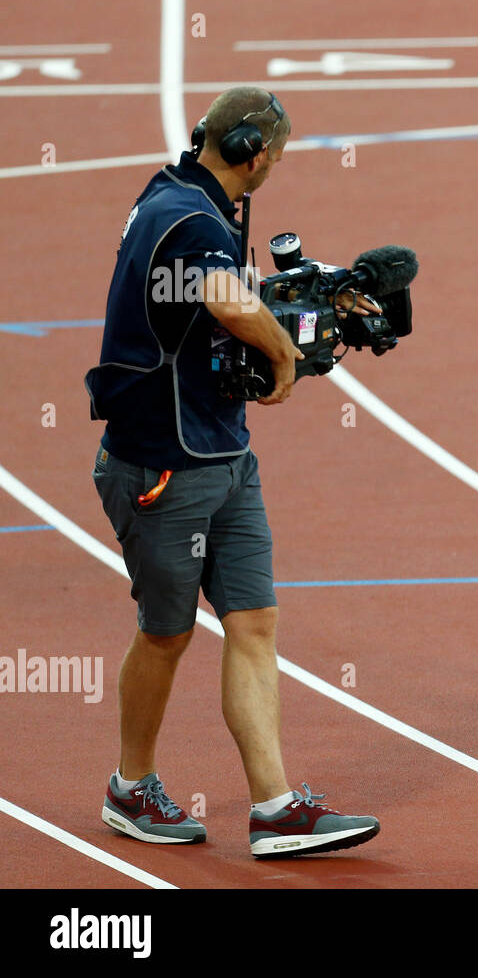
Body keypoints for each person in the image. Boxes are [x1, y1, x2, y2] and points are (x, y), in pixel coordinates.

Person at [86, 86, 381, 857]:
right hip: (163, 464)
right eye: (275, 156)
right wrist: (283, 350)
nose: (274, 168)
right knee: (166, 634)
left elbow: (225, 301)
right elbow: (221, 295)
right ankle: (129, 786)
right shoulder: (186, 220)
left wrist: (308, 306)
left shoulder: (182, 195)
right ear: (252, 150)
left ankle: (275, 806)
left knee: (253, 622)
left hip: (221, 452)